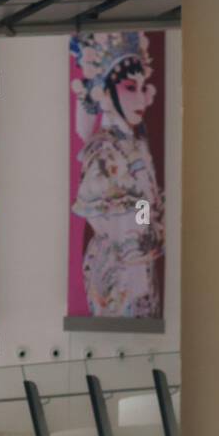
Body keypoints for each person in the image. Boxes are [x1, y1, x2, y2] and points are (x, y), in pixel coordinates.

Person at [71, 31, 164, 318]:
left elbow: (143, 208)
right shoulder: (104, 150)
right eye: (128, 87)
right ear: (107, 91)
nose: (140, 98)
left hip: (141, 264)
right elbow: (120, 220)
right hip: (119, 268)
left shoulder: (134, 143)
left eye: (141, 86)